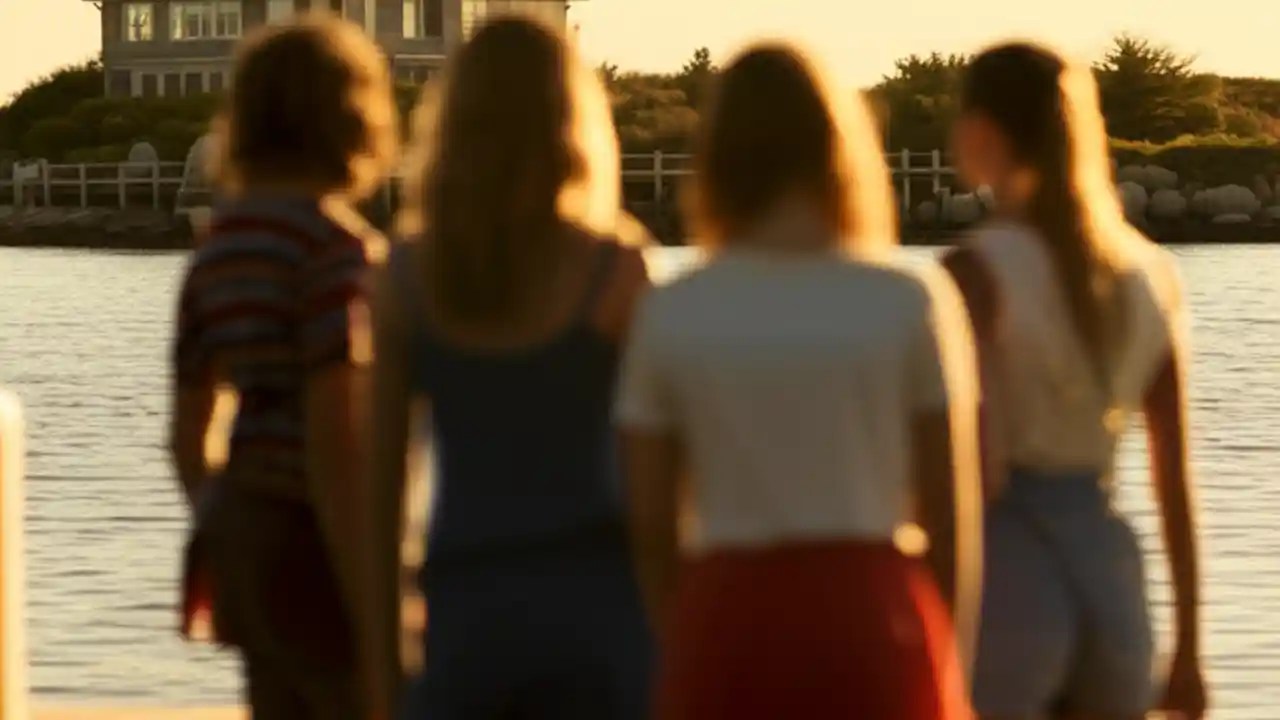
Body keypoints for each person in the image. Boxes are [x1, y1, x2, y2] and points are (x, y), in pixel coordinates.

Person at [617, 42, 982, 720]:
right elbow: (951, 516)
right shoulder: (912, 298)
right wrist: (947, 667)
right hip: (872, 611)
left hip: (727, 609)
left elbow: (650, 524)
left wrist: (688, 632)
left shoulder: (672, 308)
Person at [358, 16, 653, 720]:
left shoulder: (406, 275)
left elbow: (378, 493)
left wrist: (380, 665)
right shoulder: (617, 269)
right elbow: (660, 485)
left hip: (467, 610)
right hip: (601, 616)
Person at [945, 42, 1207, 720]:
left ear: (982, 132)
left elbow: (972, 466)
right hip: (1109, 577)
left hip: (1007, 571)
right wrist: (1189, 649)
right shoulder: (1151, 274)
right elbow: (1174, 478)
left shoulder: (974, 273)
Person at [168, 15, 397, 719]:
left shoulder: (216, 251)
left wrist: (221, 526)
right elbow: (336, 434)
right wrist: (375, 593)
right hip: (315, 532)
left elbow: (186, 431)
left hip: (240, 523)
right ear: (353, 123)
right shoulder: (337, 250)